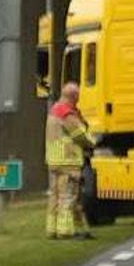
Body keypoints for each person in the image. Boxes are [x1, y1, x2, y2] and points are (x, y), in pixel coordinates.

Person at [45, 81, 94, 239]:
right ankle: (65, 231)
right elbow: (80, 135)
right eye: (78, 96)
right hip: (68, 161)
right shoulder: (67, 113)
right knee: (68, 197)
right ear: (74, 96)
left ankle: (52, 229)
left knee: (55, 197)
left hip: (54, 160)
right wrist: (93, 143)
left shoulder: (54, 110)